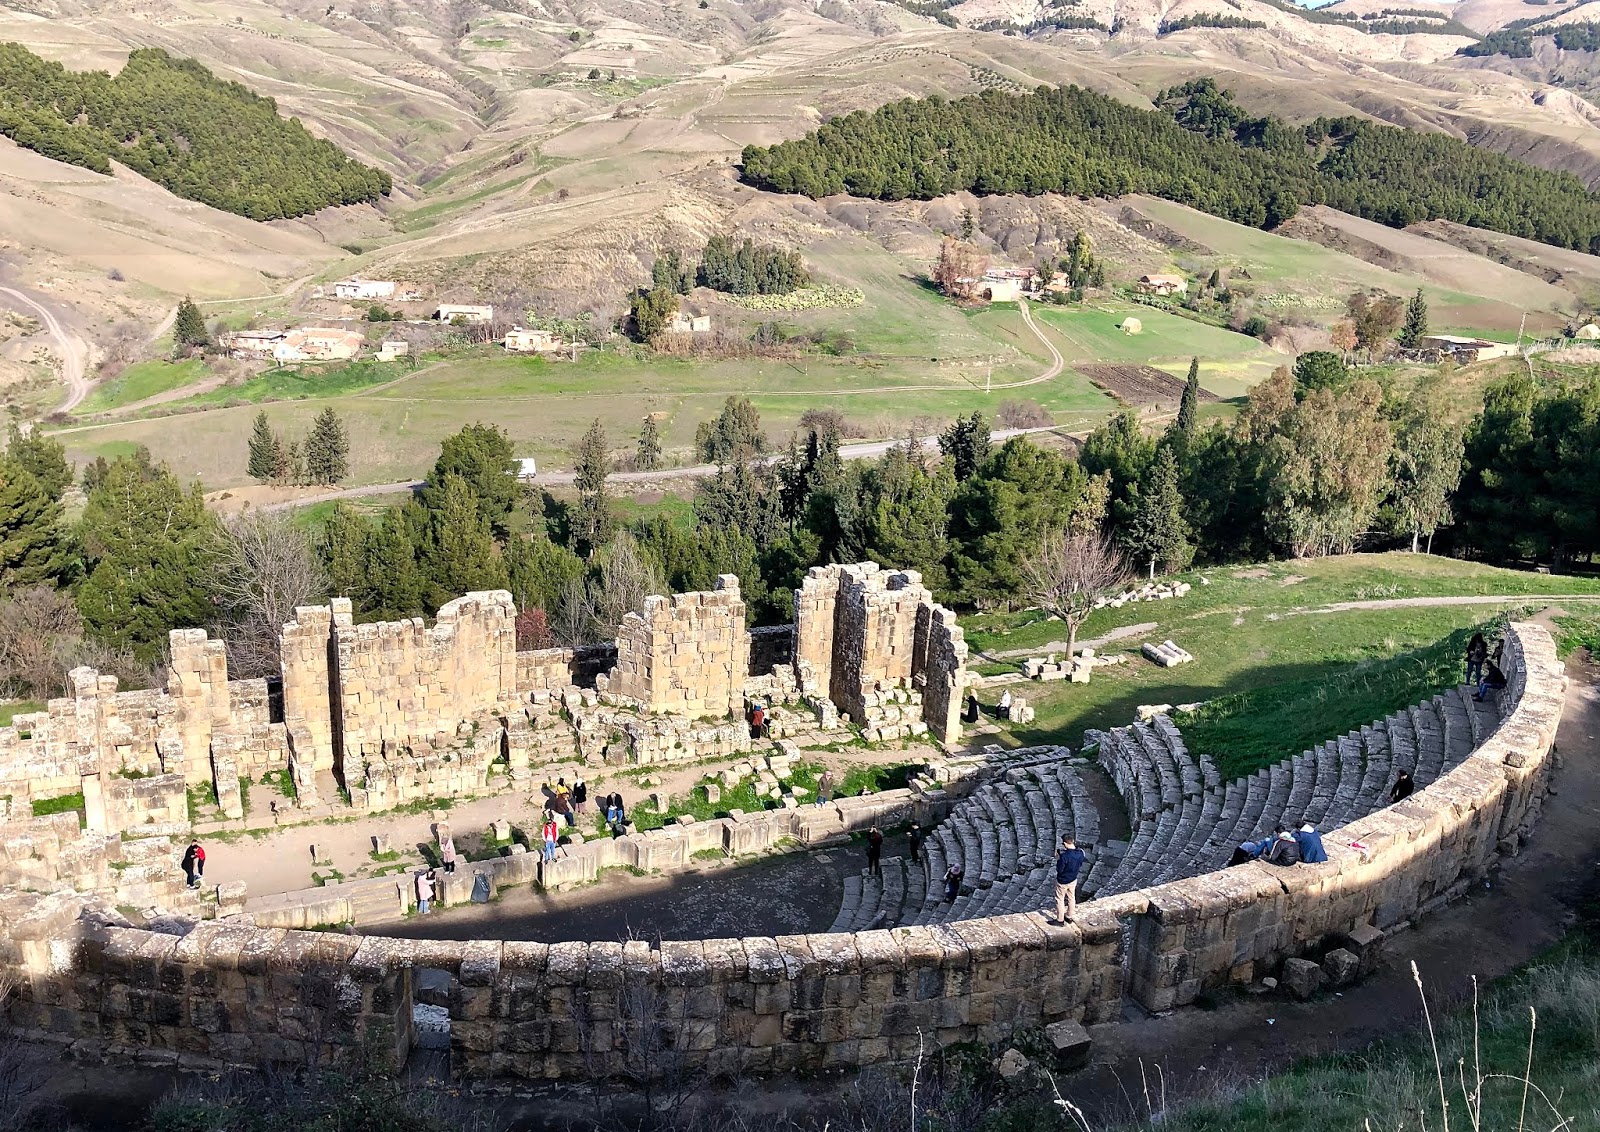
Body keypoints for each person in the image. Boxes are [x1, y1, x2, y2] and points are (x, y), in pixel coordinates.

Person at [1053, 836, 1087, 923]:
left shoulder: (1064, 857)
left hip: (1063, 881)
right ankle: (1069, 916)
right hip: (1073, 879)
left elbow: (1059, 870)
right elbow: (1080, 863)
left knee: (1060, 899)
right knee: (1071, 897)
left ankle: (1060, 920)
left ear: (1065, 843)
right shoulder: (1081, 853)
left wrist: (1058, 859)